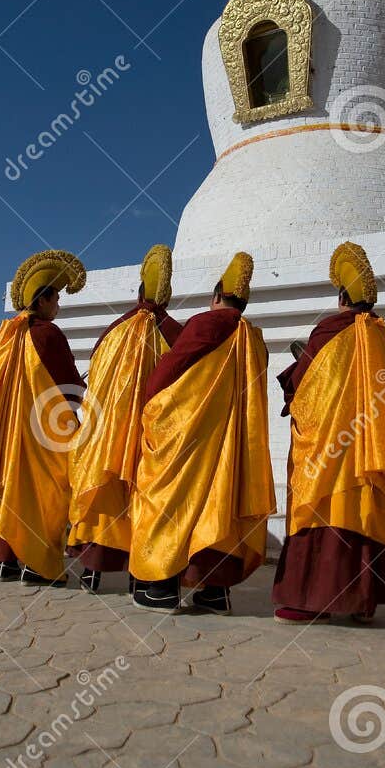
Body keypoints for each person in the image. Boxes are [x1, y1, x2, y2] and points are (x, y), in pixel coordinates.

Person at [272, 242, 385, 625]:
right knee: (364, 514)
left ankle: (309, 600)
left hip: (329, 452)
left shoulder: (330, 331)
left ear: (341, 298)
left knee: (322, 513)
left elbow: (303, 385)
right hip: (368, 450)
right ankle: (360, 601)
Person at [130, 253, 274, 614]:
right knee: (218, 507)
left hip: (187, 439)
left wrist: (150, 408)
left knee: (170, 501)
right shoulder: (254, 338)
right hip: (229, 446)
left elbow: (168, 374)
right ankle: (215, 593)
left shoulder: (204, 325)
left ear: (215, 297)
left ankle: (161, 588)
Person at [0, 250, 87, 587]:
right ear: (43, 300)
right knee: (44, 495)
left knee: (11, 491)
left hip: (9, 428)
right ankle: (38, 565)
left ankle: (9, 561)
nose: (58, 305)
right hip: (41, 432)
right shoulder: (47, 334)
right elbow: (66, 383)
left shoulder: (8, 333)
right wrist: (81, 389)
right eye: (56, 298)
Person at [67, 244, 183, 592]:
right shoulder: (174, 335)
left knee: (105, 501)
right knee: (140, 505)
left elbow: (93, 384)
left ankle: (92, 573)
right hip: (149, 443)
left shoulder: (112, 332)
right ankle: (139, 575)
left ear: (138, 291)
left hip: (105, 439)